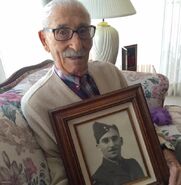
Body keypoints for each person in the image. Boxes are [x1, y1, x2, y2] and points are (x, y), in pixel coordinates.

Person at [21, 0, 181, 184]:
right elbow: (58, 171)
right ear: (44, 40)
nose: (77, 44)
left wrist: (165, 151)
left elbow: (144, 125)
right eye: (62, 32)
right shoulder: (36, 103)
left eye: (83, 31)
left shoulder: (110, 72)